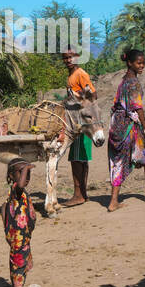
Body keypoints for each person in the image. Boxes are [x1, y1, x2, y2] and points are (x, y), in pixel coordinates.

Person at [106, 48, 145, 212]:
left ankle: (113, 201)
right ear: (129, 63)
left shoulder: (123, 81)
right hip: (128, 126)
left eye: (143, 63)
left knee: (117, 161)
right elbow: (137, 108)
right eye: (139, 63)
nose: (142, 66)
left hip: (116, 126)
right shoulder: (133, 82)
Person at [60, 48, 95, 207]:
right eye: (65, 58)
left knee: (77, 159)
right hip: (76, 121)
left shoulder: (81, 74)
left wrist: (78, 101)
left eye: (71, 57)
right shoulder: (72, 75)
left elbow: (92, 95)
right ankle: (83, 194)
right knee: (80, 159)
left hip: (79, 122)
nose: (68, 60)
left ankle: (78, 195)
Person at [2, 159, 37, 287]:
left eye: (28, 173)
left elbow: (3, 207)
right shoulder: (17, 189)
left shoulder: (20, 193)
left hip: (24, 236)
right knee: (18, 264)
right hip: (18, 237)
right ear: (12, 175)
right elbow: (21, 184)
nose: (26, 176)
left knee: (23, 263)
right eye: (22, 172)